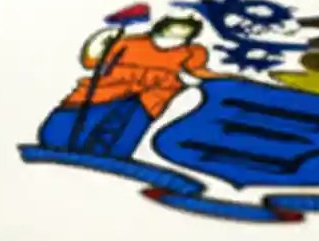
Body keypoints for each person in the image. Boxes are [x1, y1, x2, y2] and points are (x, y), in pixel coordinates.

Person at [38, 15, 224, 158]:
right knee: (73, 123)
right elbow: (93, 62)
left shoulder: (192, 52)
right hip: (107, 91)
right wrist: (98, 43)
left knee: (125, 131)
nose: (179, 32)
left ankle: (109, 156)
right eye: (176, 26)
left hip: (149, 99)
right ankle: (59, 146)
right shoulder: (130, 42)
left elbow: (197, 72)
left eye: (185, 29)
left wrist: (221, 79)